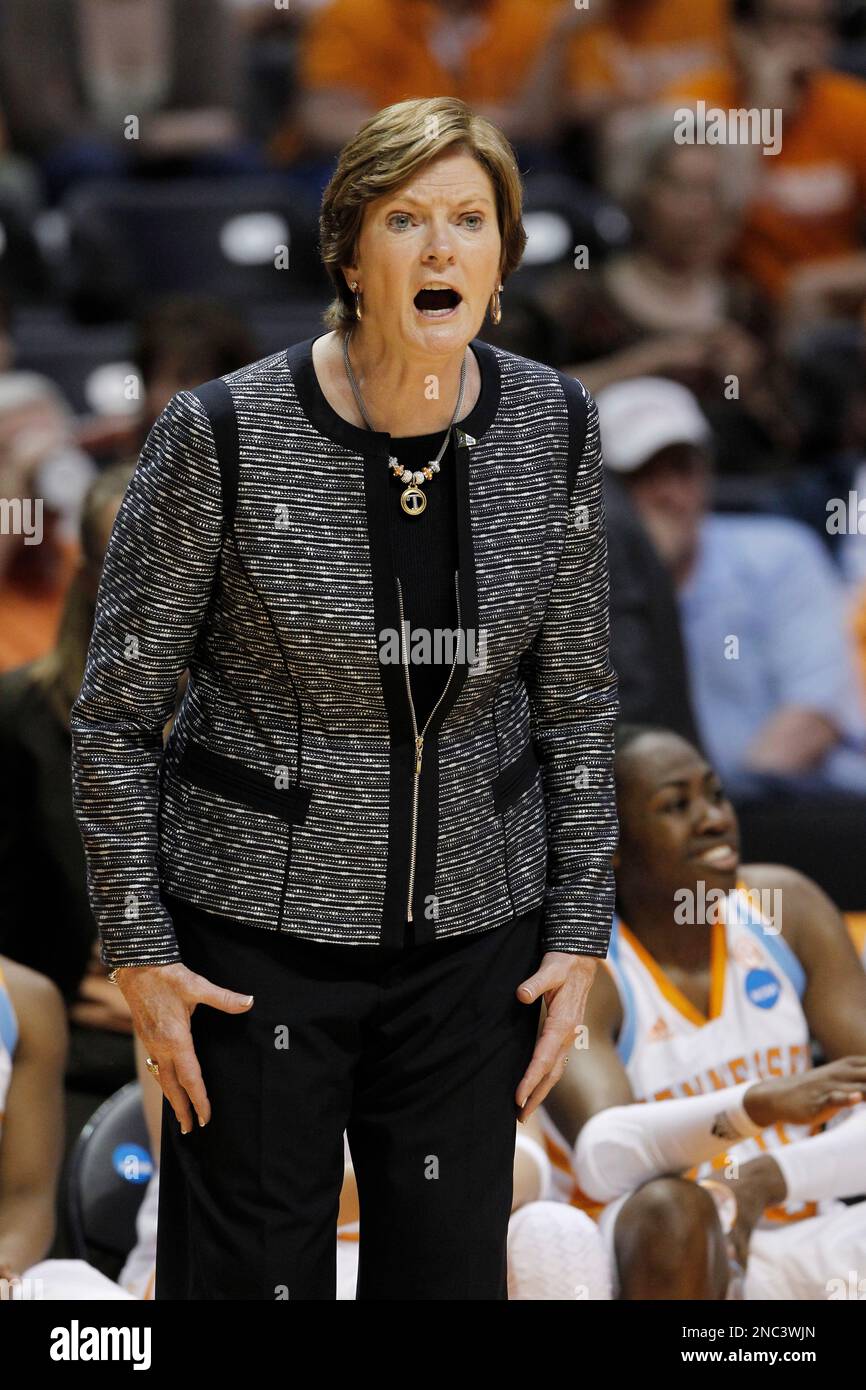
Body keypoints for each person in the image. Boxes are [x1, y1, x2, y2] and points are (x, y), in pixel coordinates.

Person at [69, 95, 619, 1300]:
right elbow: (114, 719)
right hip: (251, 949)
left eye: (469, 221)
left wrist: (577, 928)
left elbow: (576, 703)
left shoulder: (553, 424)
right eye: (405, 219)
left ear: (503, 252)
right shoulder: (217, 435)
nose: (439, 251)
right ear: (347, 252)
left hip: (474, 944)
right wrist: (144, 952)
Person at [532, 724, 866, 1299]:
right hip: (661, 1254)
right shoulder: (586, 967)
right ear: (610, 841)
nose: (714, 819)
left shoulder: (785, 909)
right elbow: (605, 1156)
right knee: (672, 1207)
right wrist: (751, 1106)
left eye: (715, 794)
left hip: (803, 1221)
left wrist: (767, 1179)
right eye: (675, 806)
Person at [595, 374, 866, 905]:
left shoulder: (777, 554)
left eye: (684, 469)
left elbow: (811, 719)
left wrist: (702, 812)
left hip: (790, 808)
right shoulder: (580, 584)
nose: (670, 494)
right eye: (642, 477)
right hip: (656, 828)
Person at [662, 0, 866, 320]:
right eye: (784, 22)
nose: (803, 38)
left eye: (817, 24)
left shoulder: (854, 109)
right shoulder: (694, 102)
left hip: (829, 306)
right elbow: (697, 224)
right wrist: (763, 111)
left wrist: (824, 283)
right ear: (741, 33)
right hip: (723, 298)